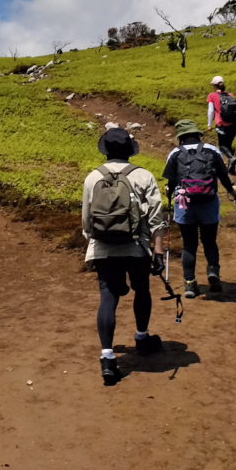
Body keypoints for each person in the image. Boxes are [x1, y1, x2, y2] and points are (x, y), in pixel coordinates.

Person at [82, 126, 166, 386]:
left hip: (104, 248)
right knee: (142, 290)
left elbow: (86, 222)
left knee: (108, 297)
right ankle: (142, 338)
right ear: (130, 150)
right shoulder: (143, 176)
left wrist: (98, 243)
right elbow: (156, 218)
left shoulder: (92, 177)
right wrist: (159, 251)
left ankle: (107, 357)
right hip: (137, 247)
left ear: (105, 150)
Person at [163, 119, 236, 298]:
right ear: (197, 134)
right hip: (209, 202)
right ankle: (213, 273)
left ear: (180, 136)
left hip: (184, 203)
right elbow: (223, 175)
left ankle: (189, 284)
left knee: (189, 245)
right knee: (209, 241)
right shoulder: (212, 150)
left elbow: (171, 182)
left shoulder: (175, 153)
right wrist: (231, 191)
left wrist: (169, 194)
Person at [207, 75, 236, 174]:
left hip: (221, 124)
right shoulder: (231, 95)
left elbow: (210, 111)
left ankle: (231, 158)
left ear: (214, 86)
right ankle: (231, 168)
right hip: (233, 125)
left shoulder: (212, 95)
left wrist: (209, 124)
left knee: (222, 145)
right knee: (229, 145)